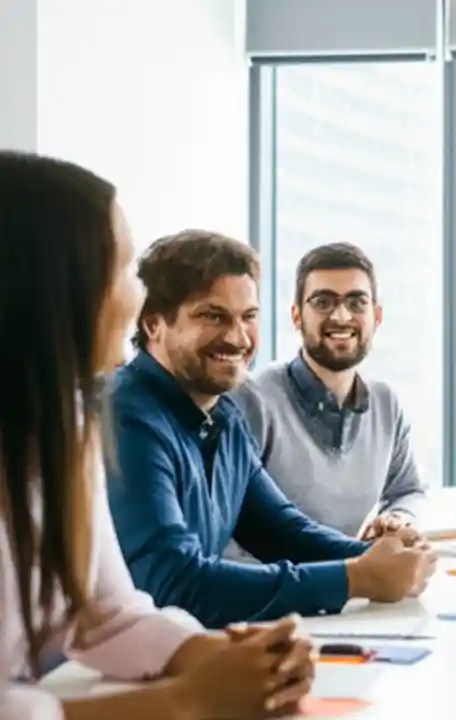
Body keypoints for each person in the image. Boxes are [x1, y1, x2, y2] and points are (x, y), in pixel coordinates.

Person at [1, 150, 315, 718]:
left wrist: (227, 658)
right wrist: (184, 700)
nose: (136, 298)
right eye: (122, 271)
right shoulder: (125, 412)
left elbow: (106, 614)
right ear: (54, 286)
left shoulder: (68, 422)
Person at [106, 231, 437, 629]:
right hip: (94, 661)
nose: (237, 337)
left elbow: (282, 531)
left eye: (248, 317)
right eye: (213, 316)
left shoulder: (223, 417)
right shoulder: (125, 417)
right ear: (154, 324)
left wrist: (380, 557)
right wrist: (355, 577)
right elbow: (173, 582)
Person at [229, 243, 428, 543]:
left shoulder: (385, 404)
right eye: (323, 302)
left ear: (377, 316)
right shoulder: (253, 399)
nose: (342, 316)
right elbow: (225, 526)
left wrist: (398, 518)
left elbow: (409, 490)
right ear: (297, 316)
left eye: (357, 302)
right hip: (277, 574)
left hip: (352, 570)